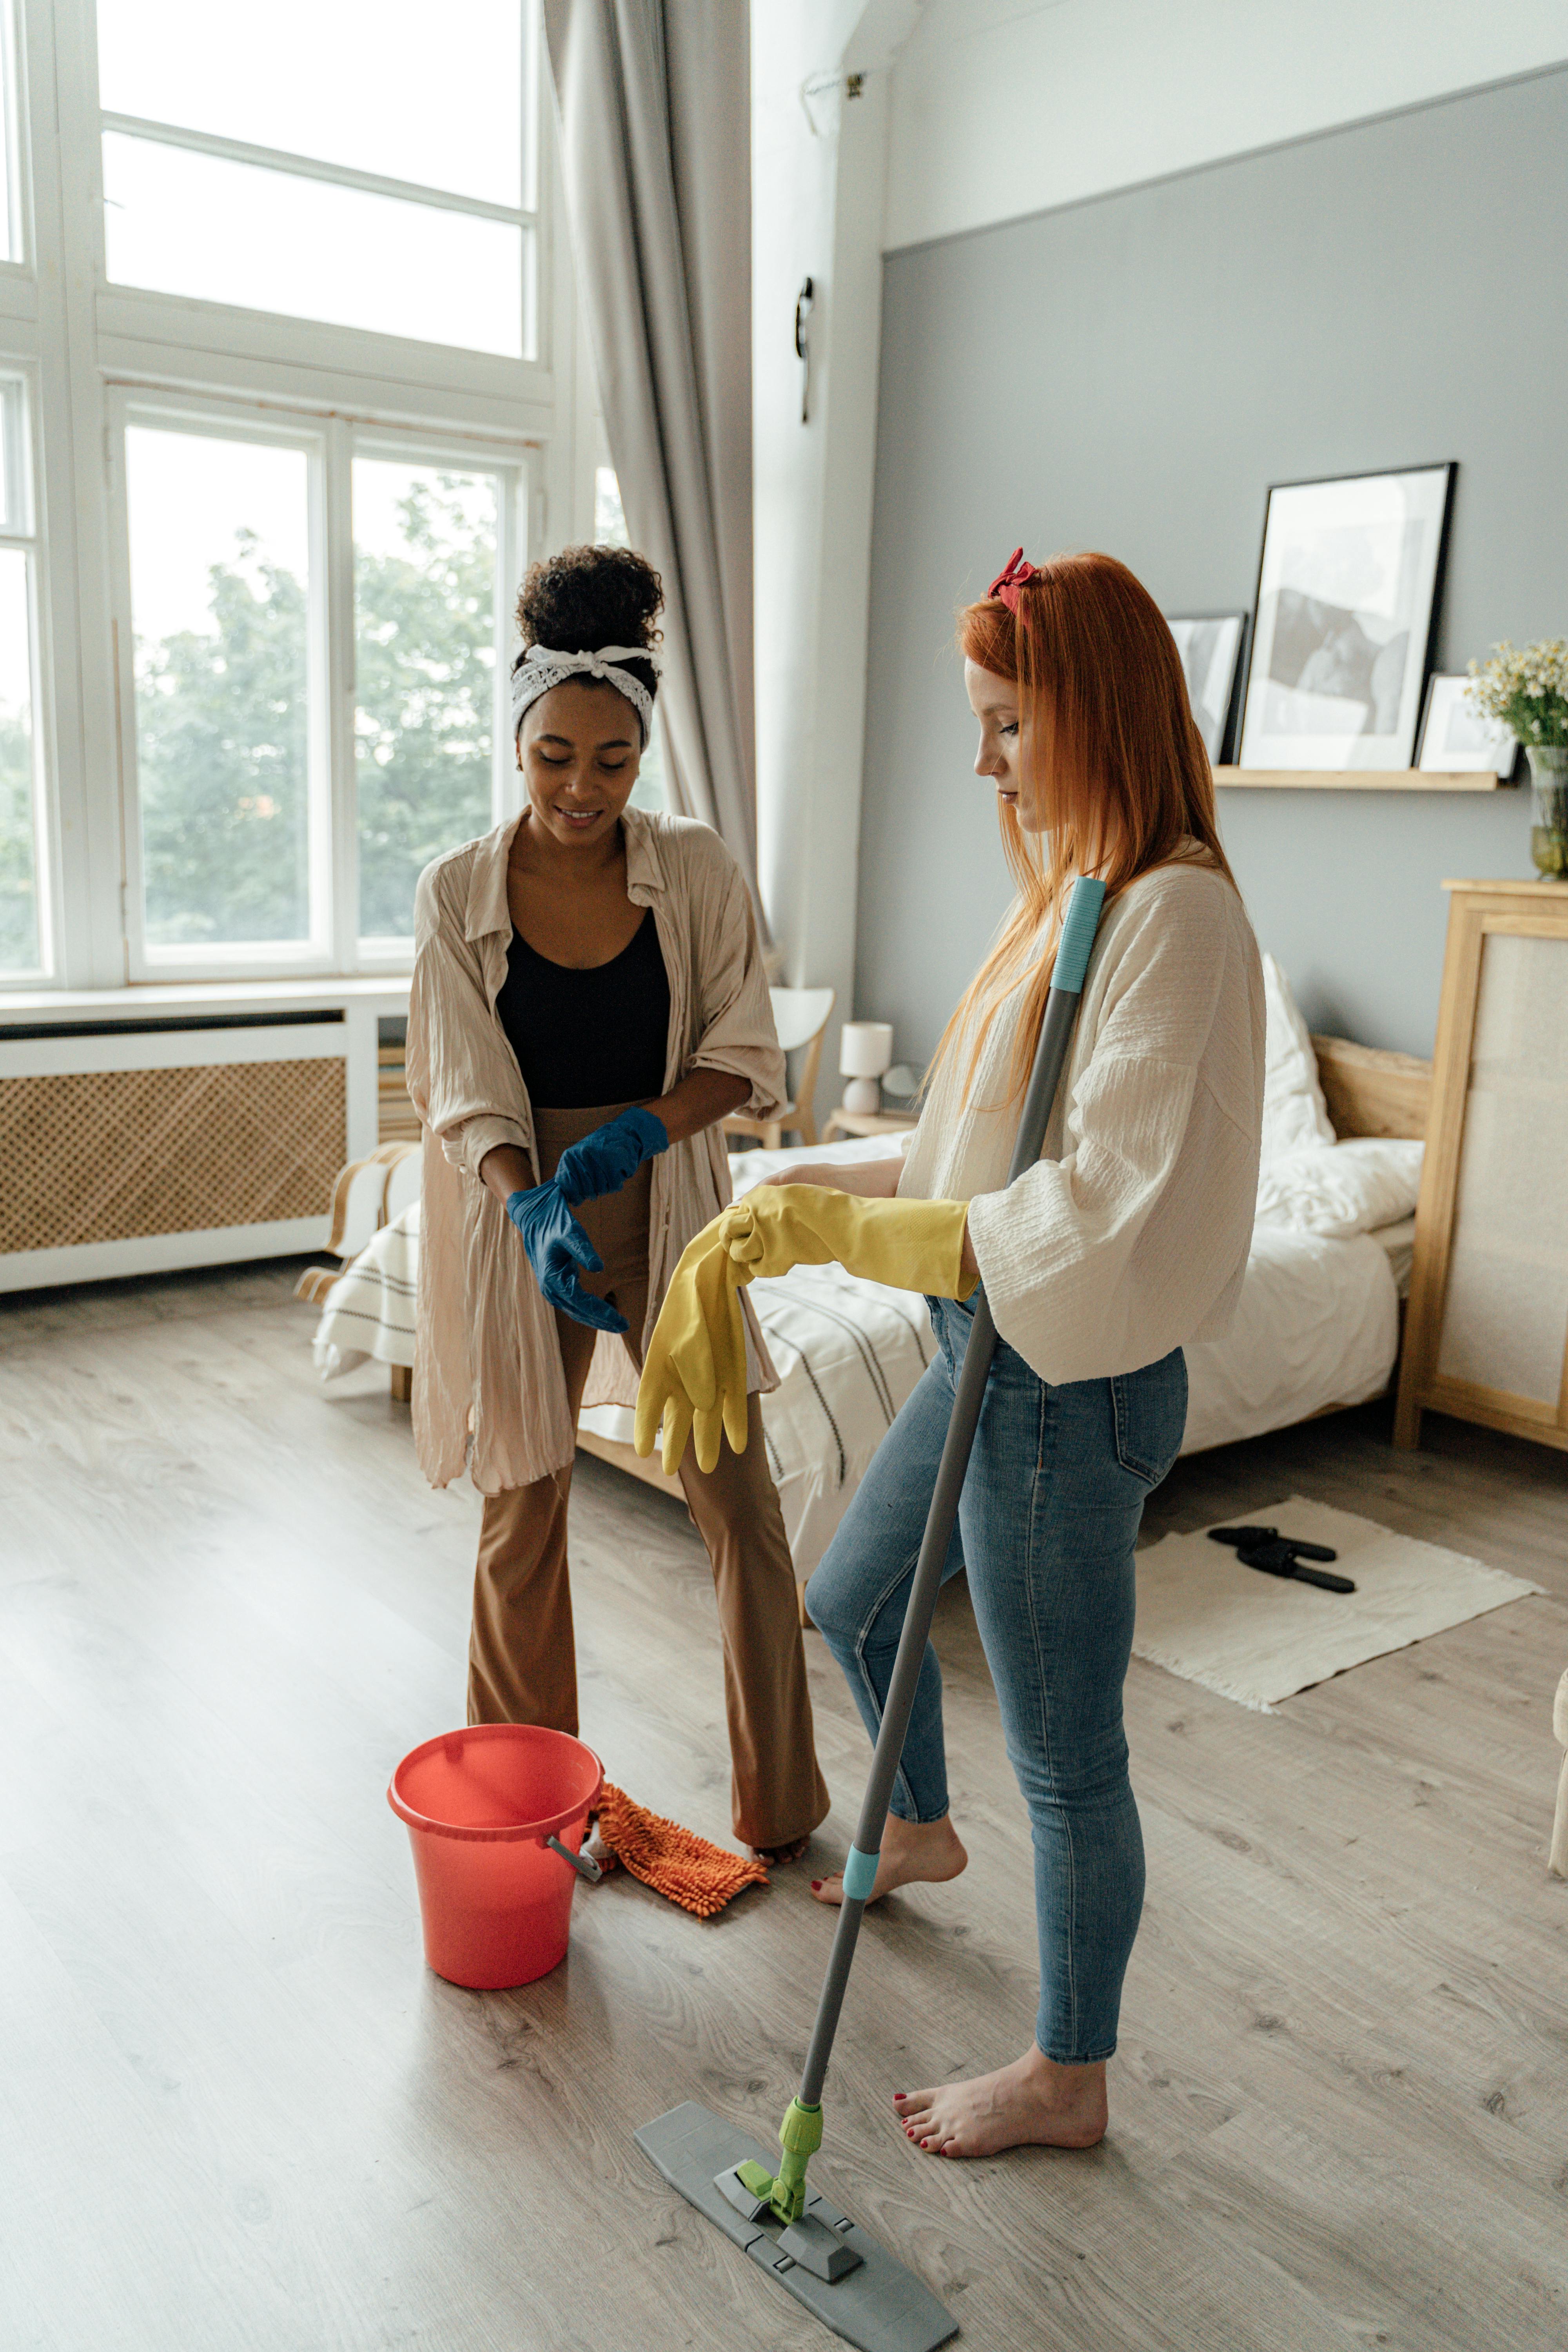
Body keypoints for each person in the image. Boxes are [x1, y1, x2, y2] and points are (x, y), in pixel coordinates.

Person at [649, 547, 1264, 2152]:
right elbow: (959, 1160)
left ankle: (1070, 2075)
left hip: (1064, 1385)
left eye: (1006, 724)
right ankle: (916, 1825)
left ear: (1093, 714)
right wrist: (790, 1196)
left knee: (1066, 1762)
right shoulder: (1065, 898)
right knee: (851, 1606)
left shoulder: (1177, 916)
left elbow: (1084, 1209)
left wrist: (847, 1239)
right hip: (981, 1349)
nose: (980, 761)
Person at [405, 542, 829, 1864]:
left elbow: (744, 1053)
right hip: (524, 1212)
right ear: (517, 741)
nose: (581, 788)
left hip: (671, 1200)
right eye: (554, 758)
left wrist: (646, 1129)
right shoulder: (457, 891)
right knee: (523, 1507)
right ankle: (532, 1810)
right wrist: (532, 1207)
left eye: (612, 761)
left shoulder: (694, 869)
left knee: (737, 1503)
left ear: (643, 754)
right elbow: (466, 1089)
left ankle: (784, 1806)